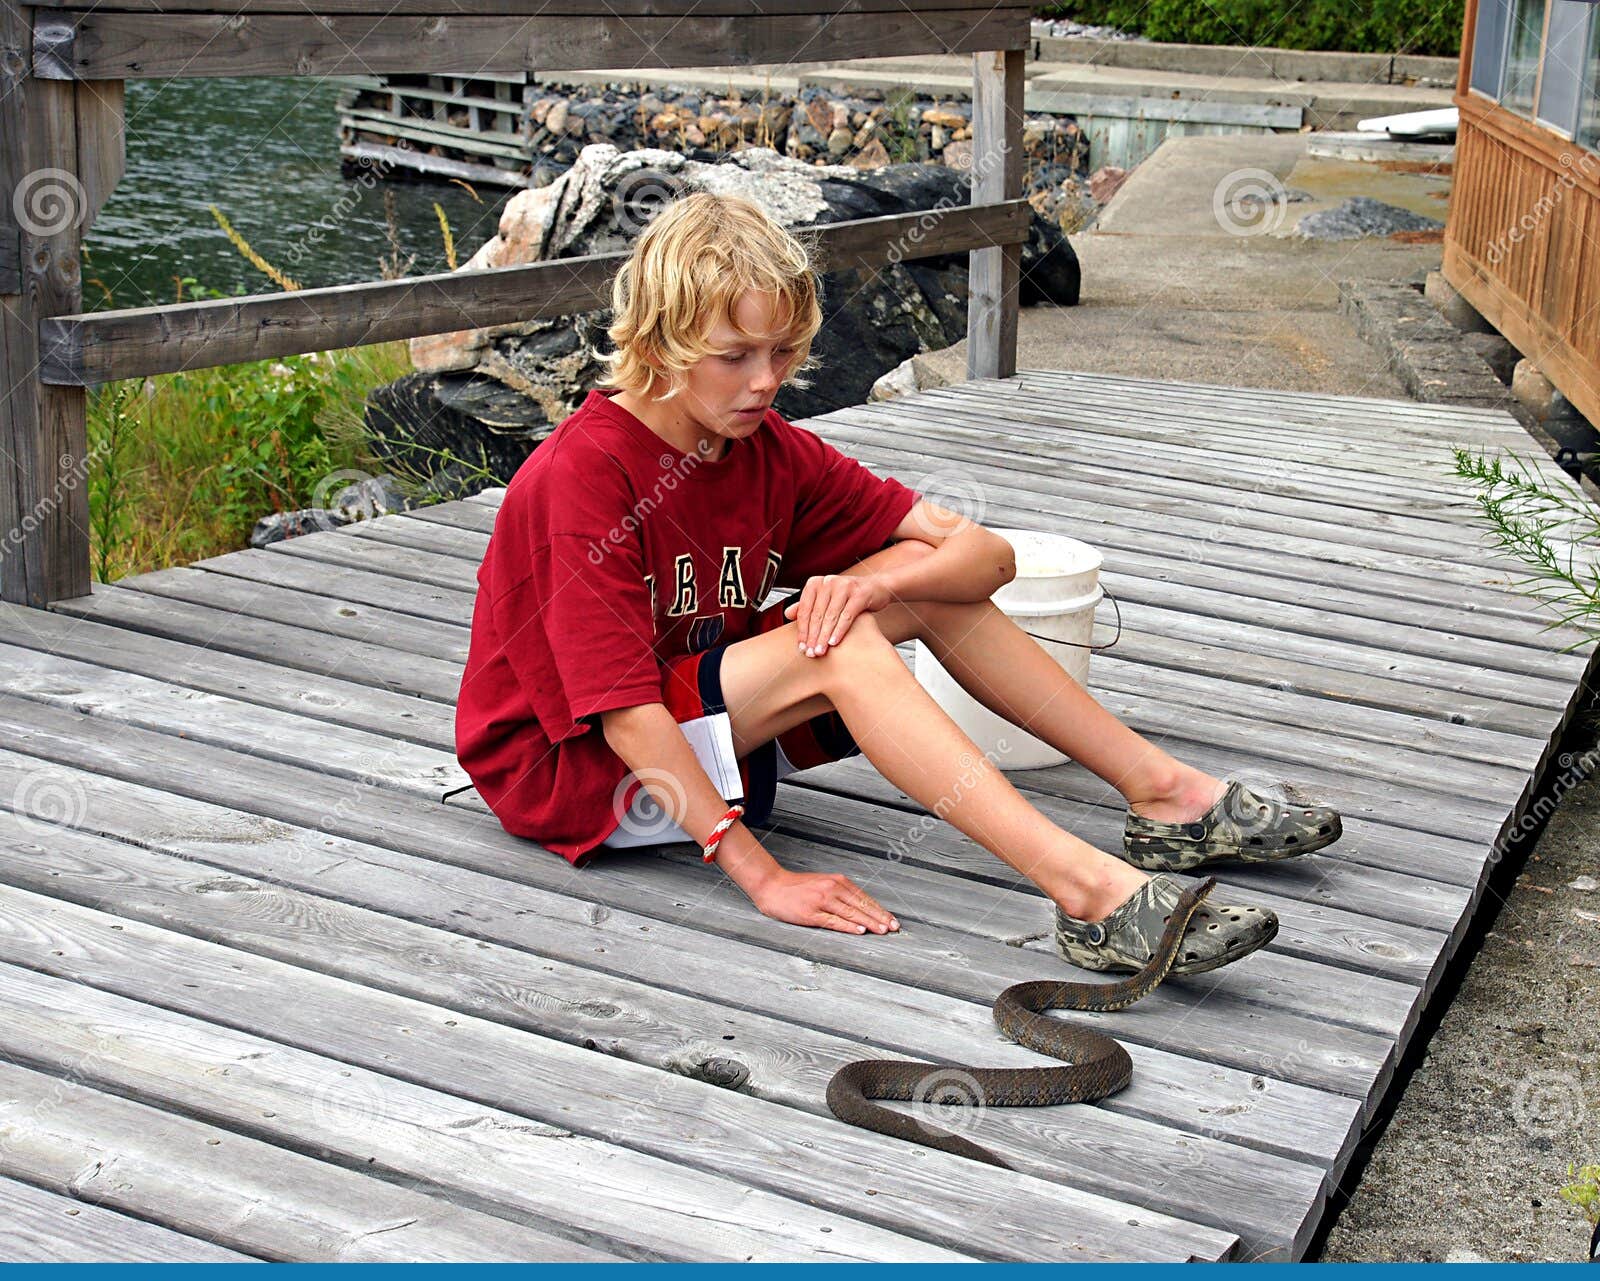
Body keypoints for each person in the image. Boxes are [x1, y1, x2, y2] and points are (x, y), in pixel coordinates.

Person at [453, 189, 1343, 974]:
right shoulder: (585, 476)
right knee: (839, 645)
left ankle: (1168, 797)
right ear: (659, 341)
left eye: (782, 351)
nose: (766, 382)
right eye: (733, 356)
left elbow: (985, 558)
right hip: (583, 781)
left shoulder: (762, 448)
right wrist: (760, 876)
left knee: (910, 589)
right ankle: (1091, 894)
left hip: (705, 743)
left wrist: (874, 584)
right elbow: (625, 715)